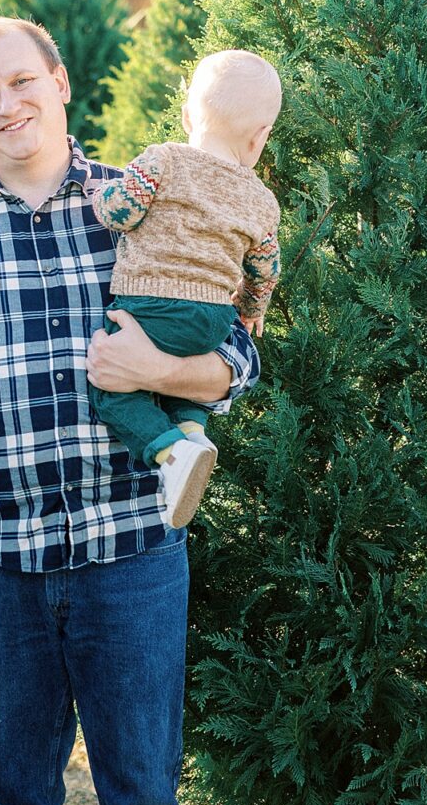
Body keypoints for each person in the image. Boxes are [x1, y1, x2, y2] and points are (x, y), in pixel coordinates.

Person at [0, 17, 261, 805]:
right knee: (18, 794)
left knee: (142, 798)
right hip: (3, 566)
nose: (6, 104)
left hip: (132, 552)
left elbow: (239, 348)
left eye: (22, 81)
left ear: (59, 83)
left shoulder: (144, 198)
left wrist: (163, 369)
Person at [87, 49, 282, 528]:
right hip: (213, 319)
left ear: (188, 116)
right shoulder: (262, 200)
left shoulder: (164, 160)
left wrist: (99, 196)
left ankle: (171, 454)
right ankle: (193, 431)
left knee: (112, 391)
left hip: (150, 307)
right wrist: (251, 308)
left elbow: (119, 213)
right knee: (182, 372)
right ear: (260, 137)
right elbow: (265, 268)